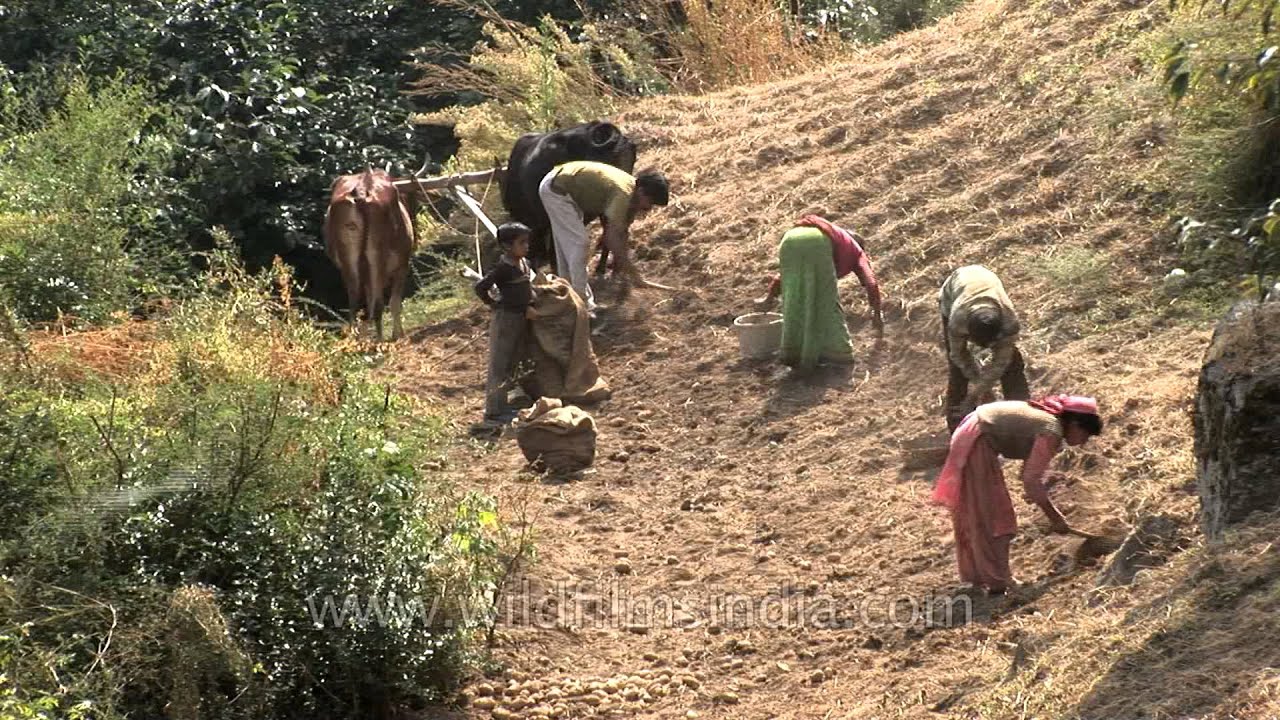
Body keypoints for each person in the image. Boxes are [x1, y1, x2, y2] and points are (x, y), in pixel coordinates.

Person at [931, 395, 1104, 594]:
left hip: (972, 430)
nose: (1084, 441)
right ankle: (998, 581)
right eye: (1086, 435)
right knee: (996, 517)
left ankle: (981, 576)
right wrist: (1056, 518)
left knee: (979, 511)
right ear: (1075, 424)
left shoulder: (1048, 420)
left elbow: (1028, 467)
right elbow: (1032, 480)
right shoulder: (1051, 429)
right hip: (978, 439)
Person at [537, 160, 670, 315]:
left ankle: (570, 295)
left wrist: (626, 267)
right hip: (556, 190)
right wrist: (632, 271)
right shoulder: (623, 194)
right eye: (651, 202)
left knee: (568, 246)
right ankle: (580, 305)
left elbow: (622, 232)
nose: (649, 208)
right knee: (579, 244)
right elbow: (611, 237)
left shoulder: (632, 195)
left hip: (567, 189)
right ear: (642, 192)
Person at [754, 215, 884, 373]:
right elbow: (871, 282)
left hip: (789, 239)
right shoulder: (856, 252)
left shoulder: (836, 239)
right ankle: (840, 355)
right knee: (827, 304)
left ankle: (792, 352)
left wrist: (769, 298)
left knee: (793, 298)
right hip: (817, 242)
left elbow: (784, 277)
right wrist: (877, 314)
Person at [939, 265, 1029, 432]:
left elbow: (1001, 361)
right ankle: (958, 428)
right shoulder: (957, 320)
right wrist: (974, 392)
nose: (985, 348)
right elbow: (958, 355)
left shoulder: (1009, 321)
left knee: (1013, 364)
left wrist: (981, 389)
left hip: (986, 280)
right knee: (958, 371)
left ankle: (1020, 420)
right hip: (954, 290)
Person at [474, 222, 538, 425]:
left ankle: (508, 403)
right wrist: (494, 304)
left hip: (521, 318)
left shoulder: (524, 263)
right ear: (507, 247)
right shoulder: (503, 268)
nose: (526, 246)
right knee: (499, 365)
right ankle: (493, 411)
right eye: (521, 243)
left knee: (513, 362)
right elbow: (481, 287)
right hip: (506, 319)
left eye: (527, 242)